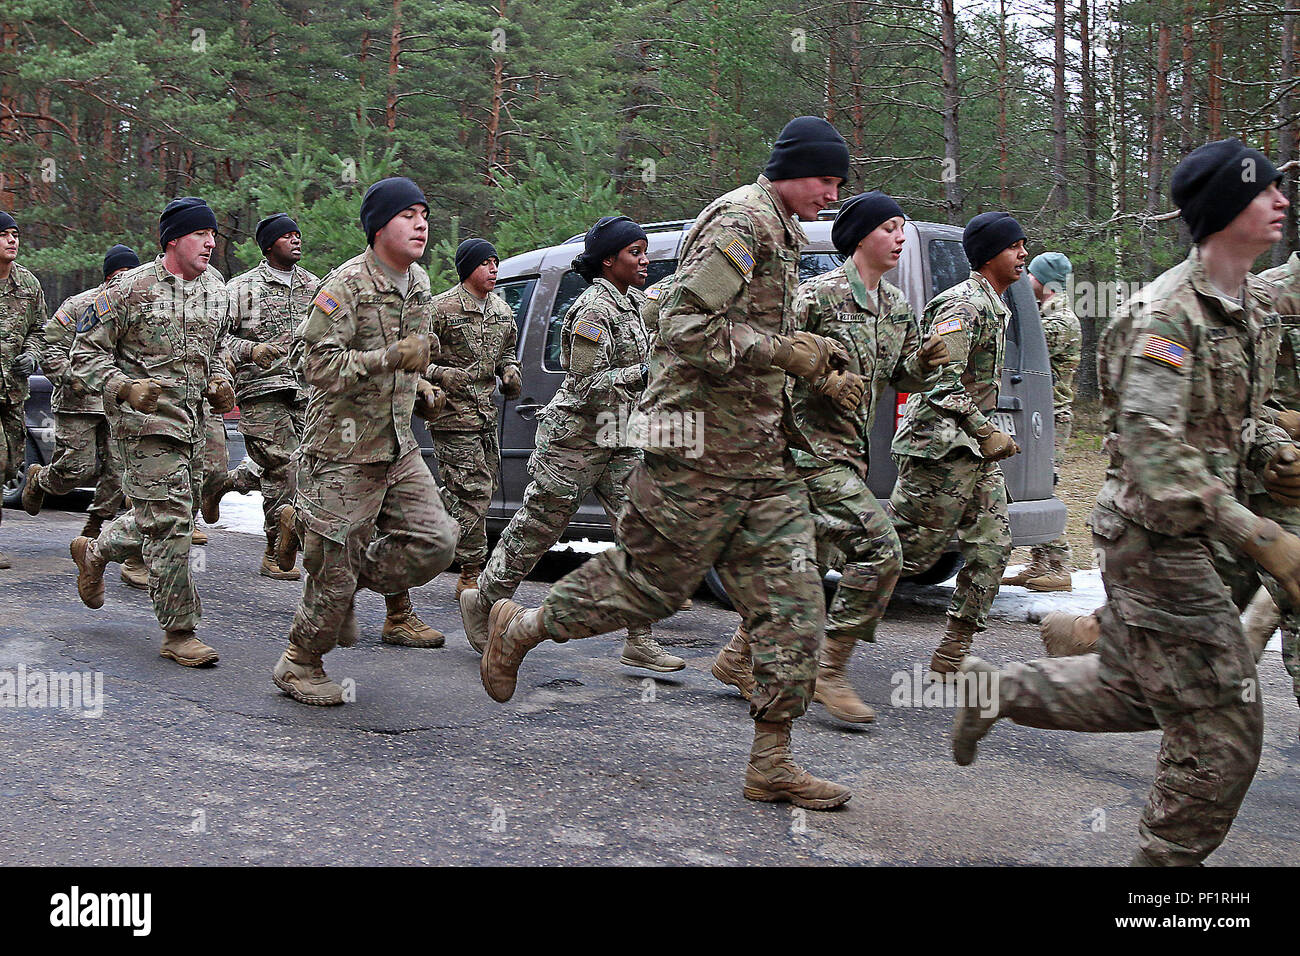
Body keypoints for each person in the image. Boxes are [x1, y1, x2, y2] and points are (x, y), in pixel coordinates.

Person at [476, 117, 856, 809]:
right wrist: (782, 353)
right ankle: (522, 626)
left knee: (797, 600)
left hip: (757, 456)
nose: (833, 195)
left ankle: (771, 760)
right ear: (795, 170)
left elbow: (752, 333)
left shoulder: (781, 231)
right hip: (693, 448)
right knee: (651, 585)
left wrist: (809, 359)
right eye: (828, 179)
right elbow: (684, 326)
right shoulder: (741, 223)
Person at [951, 139, 1300, 865]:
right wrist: (1260, 533)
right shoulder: (1164, 316)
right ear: (1227, 210)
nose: (1282, 203)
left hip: (1209, 535)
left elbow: (1239, 423)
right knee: (1224, 727)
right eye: (1267, 191)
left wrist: (1272, 451)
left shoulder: (1247, 309)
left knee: (1149, 692)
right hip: (1156, 540)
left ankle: (1000, 689)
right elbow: (1151, 450)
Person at [714, 191, 950, 724]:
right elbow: (768, 355)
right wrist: (824, 376)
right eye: (889, 227)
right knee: (881, 548)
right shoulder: (815, 298)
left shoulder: (895, 308)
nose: (899, 238)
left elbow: (899, 375)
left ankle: (736, 657)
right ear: (861, 236)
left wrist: (924, 361)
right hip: (807, 452)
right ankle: (830, 667)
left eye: (902, 228)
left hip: (851, 454)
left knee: (808, 562)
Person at [460, 217, 684, 673]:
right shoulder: (592, 311)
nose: (644, 261)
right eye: (634, 253)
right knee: (538, 529)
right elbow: (586, 385)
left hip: (619, 437)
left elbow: (673, 308)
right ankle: (483, 602)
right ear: (608, 260)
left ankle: (639, 636)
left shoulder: (632, 304)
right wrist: (643, 375)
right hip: (574, 440)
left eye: (645, 251)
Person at [271, 177, 458, 705]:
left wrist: (419, 386)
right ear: (380, 226)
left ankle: (334, 567)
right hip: (343, 453)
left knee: (438, 543)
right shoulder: (345, 286)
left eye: (425, 213)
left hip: (398, 447)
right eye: (407, 215)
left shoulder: (419, 284)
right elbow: (314, 365)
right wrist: (391, 360)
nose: (421, 224)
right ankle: (299, 662)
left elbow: (407, 357)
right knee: (332, 579)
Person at [68, 197, 236, 667]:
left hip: (194, 427)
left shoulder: (215, 291)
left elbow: (216, 349)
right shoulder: (128, 289)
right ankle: (179, 631)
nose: (210, 242)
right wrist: (125, 386)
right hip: (144, 429)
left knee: (165, 518)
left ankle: (96, 552)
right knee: (169, 525)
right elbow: (84, 354)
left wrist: (221, 381)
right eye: (201, 234)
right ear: (173, 240)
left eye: (213, 234)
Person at [889, 212, 1026, 675]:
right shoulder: (962, 306)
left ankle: (951, 655)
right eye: (1014, 246)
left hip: (972, 451)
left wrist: (984, 435)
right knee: (903, 556)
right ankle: (777, 621)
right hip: (938, 449)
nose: (1023, 253)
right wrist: (987, 431)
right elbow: (939, 384)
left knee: (992, 547)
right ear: (990, 254)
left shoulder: (996, 306)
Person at [200, 213, 319, 580]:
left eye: (298, 234)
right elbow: (216, 339)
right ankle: (273, 550)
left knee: (305, 466)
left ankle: (225, 483)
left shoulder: (316, 286)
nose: (296, 240)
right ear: (268, 245)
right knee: (285, 467)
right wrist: (251, 351)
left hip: (306, 392)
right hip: (261, 392)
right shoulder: (240, 289)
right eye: (287, 236)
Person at [24, 245, 137, 546]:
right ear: (110, 276)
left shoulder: (139, 308)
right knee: (76, 469)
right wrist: (72, 378)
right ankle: (39, 480)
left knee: (117, 472)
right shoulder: (80, 305)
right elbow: (49, 346)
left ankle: (93, 527)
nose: (126, 282)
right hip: (79, 403)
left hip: (117, 405)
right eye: (121, 275)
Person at [425, 238, 520, 597]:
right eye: (486, 263)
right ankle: (470, 570)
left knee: (477, 489)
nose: (494, 269)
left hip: (485, 416)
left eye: (496, 262)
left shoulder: (502, 311)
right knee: (475, 491)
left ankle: (419, 517)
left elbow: (507, 353)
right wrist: (439, 374)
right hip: (451, 416)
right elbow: (414, 358)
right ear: (468, 269)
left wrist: (511, 373)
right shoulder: (441, 309)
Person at [1002, 251, 1080, 591]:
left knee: (1042, 485)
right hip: (1041, 412)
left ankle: (1060, 566)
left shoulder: (1059, 322)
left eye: (1029, 275)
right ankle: (1038, 564)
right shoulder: (1045, 315)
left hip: (1050, 417)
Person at [0, 210, 48, 570]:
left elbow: (40, 329)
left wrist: (31, 354)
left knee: (9, 467)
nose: (12, 240)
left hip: (13, 394)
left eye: (15, 234)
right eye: (4, 235)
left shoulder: (28, 285)